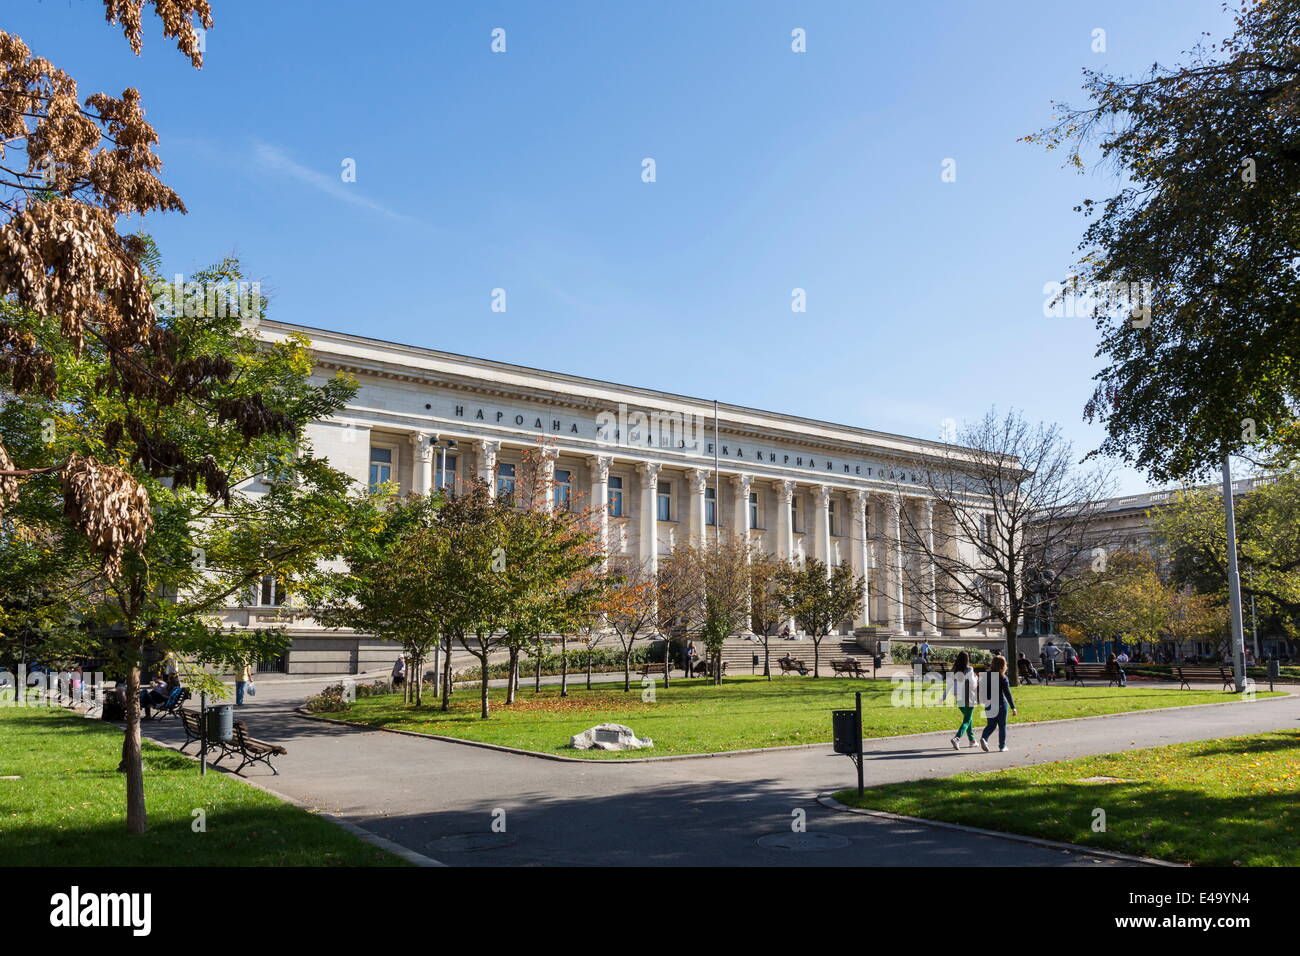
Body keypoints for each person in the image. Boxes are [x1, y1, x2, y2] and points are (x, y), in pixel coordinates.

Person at [979, 654, 1017, 753]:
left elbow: (981, 690)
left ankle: (984, 737)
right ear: (1003, 665)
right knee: (1002, 725)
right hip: (1000, 703)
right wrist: (1013, 707)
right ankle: (1002, 746)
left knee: (991, 725)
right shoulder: (1003, 678)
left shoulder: (986, 676)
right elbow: (1007, 693)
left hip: (988, 703)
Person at [944, 651, 978, 749]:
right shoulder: (970, 669)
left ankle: (972, 740)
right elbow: (972, 683)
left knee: (968, 719)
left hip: (958, 698)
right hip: (968, 698)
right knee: (967, 720)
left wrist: (943, 697)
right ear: (967, 659)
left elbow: (949, 685)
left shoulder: (954, 670)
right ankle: (957, 738)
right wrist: (976, 678)